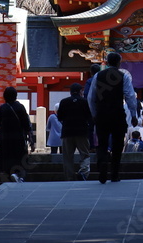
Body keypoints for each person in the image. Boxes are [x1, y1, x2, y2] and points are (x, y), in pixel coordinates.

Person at [87, 51, 137, 183]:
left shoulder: (98, 76)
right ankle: (114, 174)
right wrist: (133, 115)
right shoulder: (123, 76)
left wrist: (94, 114)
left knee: (101, 143)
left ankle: (102, 168)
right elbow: (130, 96)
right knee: (117, 144)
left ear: (107, 62)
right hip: (117, 114)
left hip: (101, 114)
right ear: (119, 63)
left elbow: (91, 97)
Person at [0, 86, 32, 182]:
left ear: (5, 96)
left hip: (4, 138)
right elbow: (26, 124)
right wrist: (30, 138)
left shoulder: (2, 108)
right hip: (18, 137)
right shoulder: (20, 107)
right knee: (18, 156)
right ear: (15, 95)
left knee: (6, 156)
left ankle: (7, 174)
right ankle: (18, 174)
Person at [57, 83, 92, 180]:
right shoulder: (84, 102)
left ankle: (69, 176)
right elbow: (89, 117)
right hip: (82, 131)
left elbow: (60, 117)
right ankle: (83, 172)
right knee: (85, 154)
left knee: (67, 157)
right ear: (80, 91)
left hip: (67, 132)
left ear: (70, 92)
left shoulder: (64, 102)